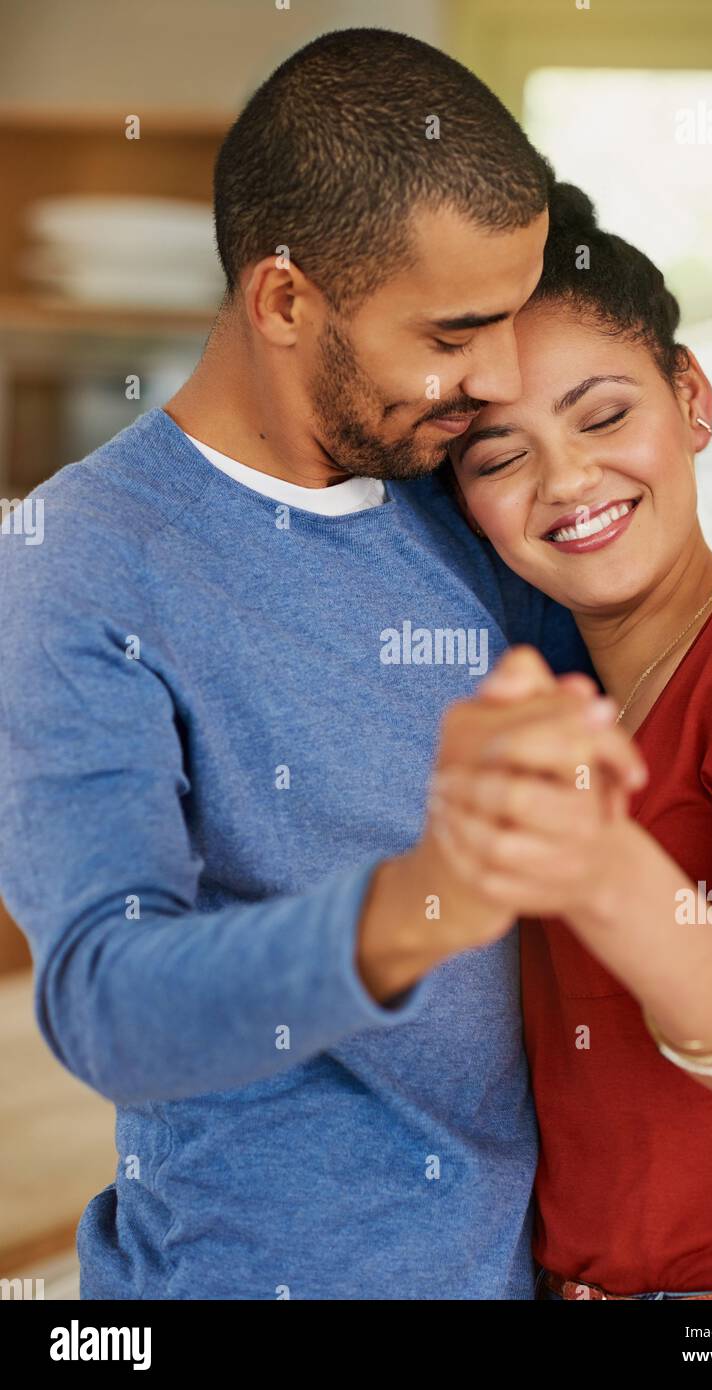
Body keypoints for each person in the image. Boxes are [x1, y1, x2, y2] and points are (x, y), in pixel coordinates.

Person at [0, 32, 606, 1301]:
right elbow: (110, 1006)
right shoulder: (79, 560)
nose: (498, 378)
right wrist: (424, 898)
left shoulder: (461, 493)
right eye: (456, 330)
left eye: (517, 313)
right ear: (284, 303)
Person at [439, 181, 712, 1301]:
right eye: (497, 458)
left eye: (603, 415)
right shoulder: (550, 707)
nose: (569, 481)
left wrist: (588, 856)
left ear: (692, 398)